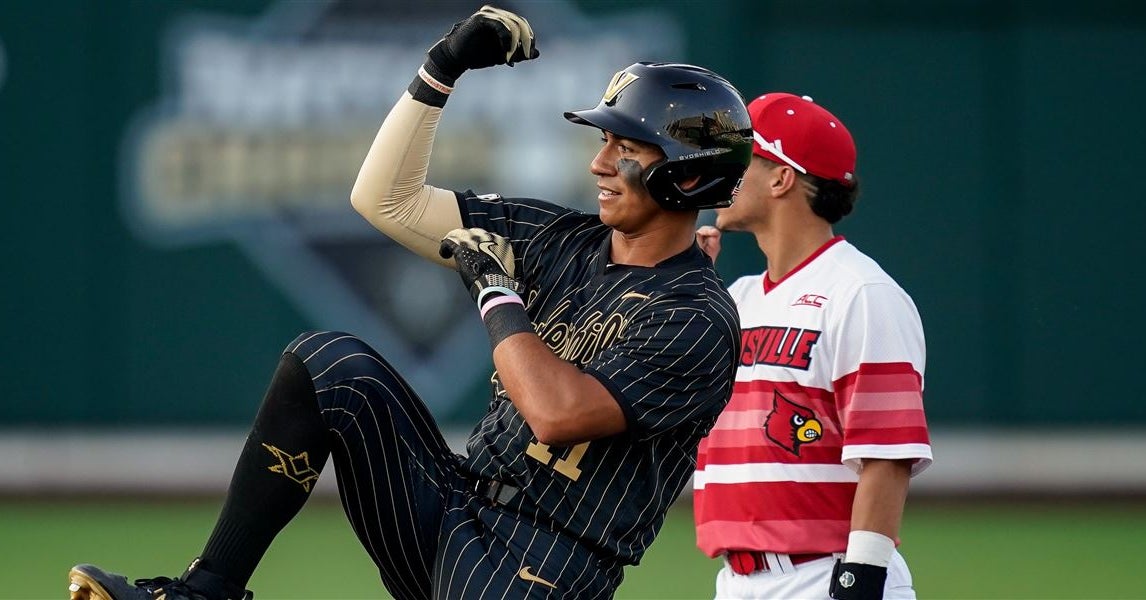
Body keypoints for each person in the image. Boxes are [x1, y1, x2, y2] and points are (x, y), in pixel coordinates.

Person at [68, 6, 754, 600]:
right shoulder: (562, 238)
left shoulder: (697, 317)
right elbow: (385, 200)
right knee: (329, 366)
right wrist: (440, 70)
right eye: (603, 141)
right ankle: (205, 590)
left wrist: (495, 292)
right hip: (458, 504)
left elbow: (556, 413)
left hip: (544, 566)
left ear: (688, 174)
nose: (599, 164)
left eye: (626, 147)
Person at [691, 92, 933, 600]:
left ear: (781, 178)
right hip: (736, 581)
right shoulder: (733, 297)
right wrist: (680, 287)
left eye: (740, 159)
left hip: (828, 576)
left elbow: (886, 456)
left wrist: (860, 582)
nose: (721, 170)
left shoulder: (863, 294)